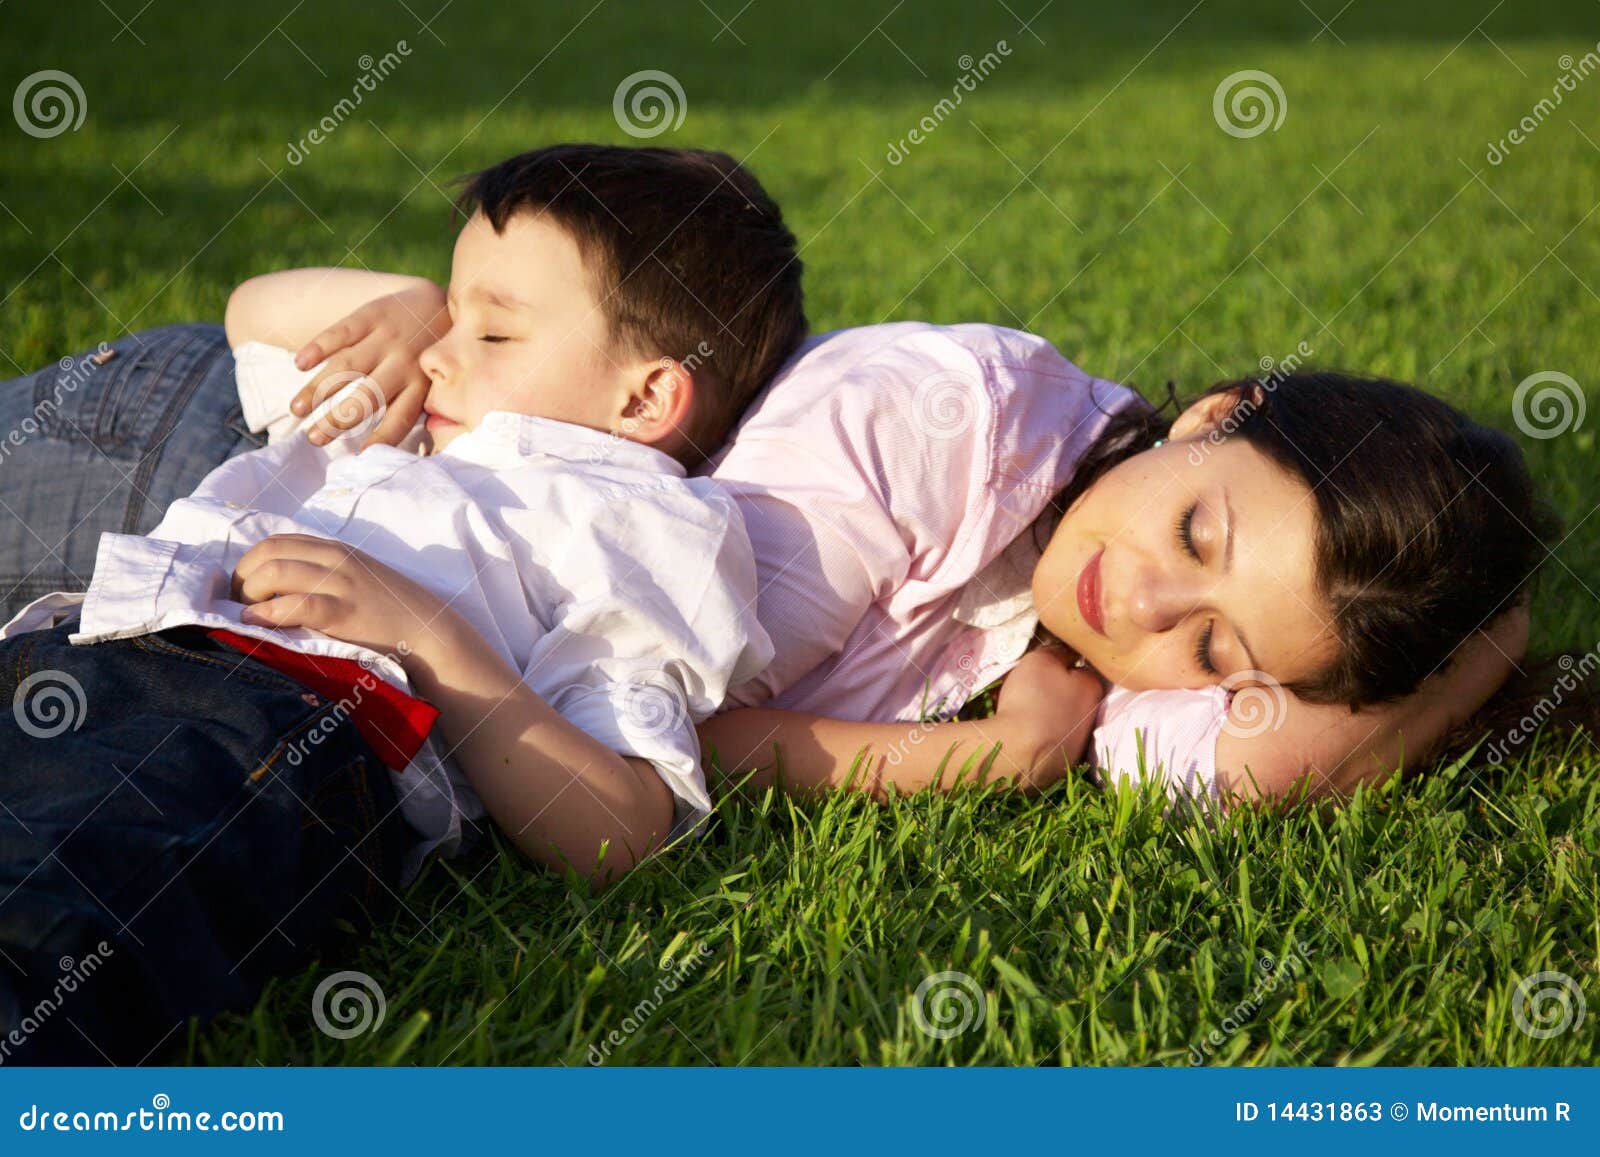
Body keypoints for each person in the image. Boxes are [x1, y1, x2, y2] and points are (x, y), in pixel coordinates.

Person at [0, 143, 809, 1063]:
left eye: (493, 334)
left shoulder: (637, 520)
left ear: (649, 396)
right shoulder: (410, 405)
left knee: (61, 896)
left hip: (272, 727)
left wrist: (427, 635)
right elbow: (250, 315)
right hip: (86, 635)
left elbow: (619, 828)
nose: (438, 356)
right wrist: (412, 302)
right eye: (451, 317)